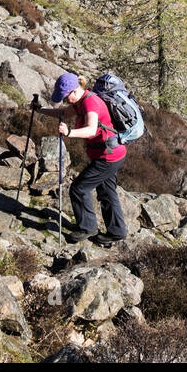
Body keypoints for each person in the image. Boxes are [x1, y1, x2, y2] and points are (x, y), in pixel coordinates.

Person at [35, 73, 128, 245]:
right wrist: (39, 109)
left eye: (66, 96)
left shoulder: (90, 102)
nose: (66, 100)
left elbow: (91, 130)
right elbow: (63, 112)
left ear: (74, 90)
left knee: (78, 189)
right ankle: (117, 232)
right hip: (112, 153)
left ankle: (88, 227)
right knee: (106, 192)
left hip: (107, 157)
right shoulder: (80, 101)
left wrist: (69, 133)